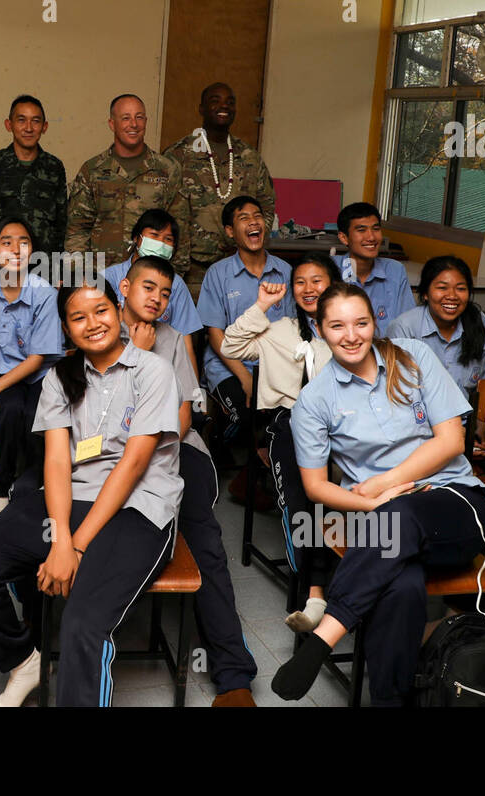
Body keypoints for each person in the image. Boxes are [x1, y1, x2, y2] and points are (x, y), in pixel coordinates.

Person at [0, 281, 183, 708]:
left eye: (101, 310)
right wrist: (60, 538)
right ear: (66, 329)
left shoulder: (153, 370)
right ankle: (22, 660)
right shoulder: (58, 377)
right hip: (68, 498)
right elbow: (55, 462)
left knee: (82, 625)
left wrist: (75, 545)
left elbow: (132, 465)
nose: (93, 323)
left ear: (119, 311)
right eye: (78, 317)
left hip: (137, 506)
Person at [271, 282, 485, 707]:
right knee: (400, 588)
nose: (351, 335)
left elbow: (451, 442)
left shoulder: (413, 356)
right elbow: (316, 487)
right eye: (337, 326)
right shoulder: (314, 400)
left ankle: (324, 637)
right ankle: (391, 702)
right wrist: (370, 502)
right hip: (381, 524)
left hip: (453, 504)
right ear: (320, 329)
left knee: (401, 516)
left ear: (376, 323)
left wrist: (383, 484)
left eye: (361, 323)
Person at [117, 255, 259, 706]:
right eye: (148, 288)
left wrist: (149, 446)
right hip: (111, 457)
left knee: (204, 537)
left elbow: (180, 418)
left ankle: (232, 673)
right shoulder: (99, 328)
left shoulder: (175, 339)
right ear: (124, 287)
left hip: (173, 451)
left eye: (165, 292)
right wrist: (136, 356)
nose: (157, 299)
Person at [220, 252, 340, 632]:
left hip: (341, 426)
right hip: (288, 424)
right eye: (300, 281)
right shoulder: (279, 330)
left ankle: (345, 584)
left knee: (343, 495)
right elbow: (231, 346)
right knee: (302, 496)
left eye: (317, 280)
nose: (308, 288)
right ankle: (314, 590)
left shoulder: (346, 329)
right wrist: (261, 305)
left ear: (333, 284)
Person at [0, 216, 63, 520]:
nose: (16, 249)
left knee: (38, 417)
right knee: (3, 413)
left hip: (39, 373)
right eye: (6, 242)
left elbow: (36, 359)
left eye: (24, 242)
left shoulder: (43, 290)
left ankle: (39, 490)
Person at [163, 83, 275, 297]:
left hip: (240, 267)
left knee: (240, 328)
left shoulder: (249, 156)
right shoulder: (179, 155)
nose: (224, 106)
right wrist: (177, 264)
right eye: (215, 100)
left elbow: (267, 205)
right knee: (192, 329)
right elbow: (165, 212)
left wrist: (252, 241)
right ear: (201, 109)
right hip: (191, 273)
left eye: (230, 102)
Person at [197, 195, 292, 444]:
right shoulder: (218, 274)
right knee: (245, 414)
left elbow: (293, 330)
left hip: (275, 366)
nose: (253, 222)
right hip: (228, 365)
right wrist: (246, 379)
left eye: (257, 216)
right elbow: (215, 334)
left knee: (287, 420)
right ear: (230, 231)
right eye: (244, 218)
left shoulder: (286, 272)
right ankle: (225, 458)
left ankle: (260, 470)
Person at [387, 255, 485, 452]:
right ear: (425, 293)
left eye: (461, 288)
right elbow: (399, 395)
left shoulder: (478, 321)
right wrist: (449, 433)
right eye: (442, 288)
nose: (452, 295)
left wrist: (481, 423)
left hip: (468, 432)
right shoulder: (405, 327)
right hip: (417, 433)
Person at [64, 93, 186, 273]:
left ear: (146, 121)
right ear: (112, 124)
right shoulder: (92, 170)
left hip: (151, 277)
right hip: (101, 276)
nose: (134, 124)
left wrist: (175, 276)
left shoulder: (167, 169)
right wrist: (77, 278)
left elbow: (179, 228)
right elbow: (77, 230)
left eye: (139, 117)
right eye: (125, 118)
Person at [0, 95, 67, 278]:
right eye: (21, 120)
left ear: (45, 126)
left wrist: (59, 273)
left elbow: (61, 225)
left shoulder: (54, 167)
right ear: (9, 125)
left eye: (35, 121)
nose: (28, 128)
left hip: (43, 269)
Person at [98, 209, 201, 375]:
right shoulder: (107, 278)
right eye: (154, 235)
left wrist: (196, 396)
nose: (161, 243)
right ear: (137, 238)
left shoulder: (177, 284)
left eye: (168, 239)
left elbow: (185, 344)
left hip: (163, 367)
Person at [331, 202, 414, 335]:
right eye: (361, 230)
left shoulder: (395, 270)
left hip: (387, 353)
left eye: (375, 229)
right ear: (344, 238)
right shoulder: (330, 269)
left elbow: (407, 326)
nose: (371, 237)